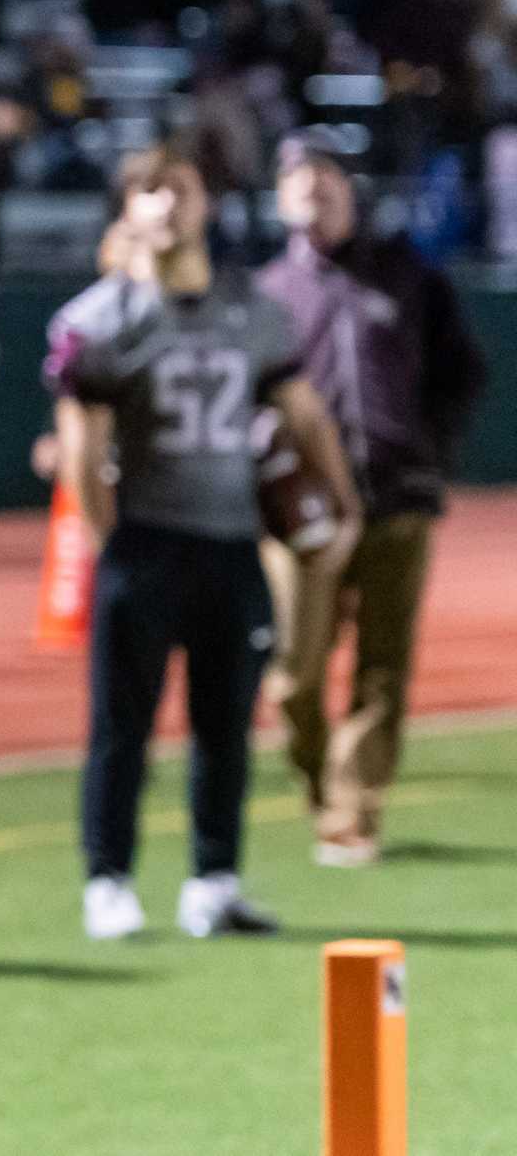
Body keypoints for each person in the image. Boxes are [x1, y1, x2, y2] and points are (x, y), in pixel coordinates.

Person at [48, 144, 358, 941]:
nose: (168, 203)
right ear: (127, 211)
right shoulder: (98, 320)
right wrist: (113, 541)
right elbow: (81, 449)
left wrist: (343, 499)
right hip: (147, 541)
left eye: (180, 186)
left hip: (229, 543)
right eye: (149, 190)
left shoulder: (252, 310)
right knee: (123, 725)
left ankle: (213, 881)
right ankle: (107, 879)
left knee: (226, 725)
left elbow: (303, 413)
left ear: (207, 205)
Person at [256, 142, 487, 866]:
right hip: (304, 517)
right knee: (296, 668)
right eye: (299, 179)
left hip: (397, 500)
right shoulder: (265, 294)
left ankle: (354, 805)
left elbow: (463, 373)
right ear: (280, 197)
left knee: (383, 666)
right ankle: (321, 780)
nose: (314, 191)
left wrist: (429, 452)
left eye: (326, 177)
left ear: (350, 192)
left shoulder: (408, 276)